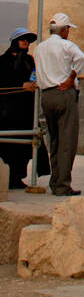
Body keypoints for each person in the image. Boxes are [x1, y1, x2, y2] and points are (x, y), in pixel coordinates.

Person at [33, 12, 84, 196]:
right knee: (67, 141)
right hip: (63, 93)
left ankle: (55, 180)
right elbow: (82, 58)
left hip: (46, 95)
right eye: (68, 29)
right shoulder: (66, 45)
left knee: (54, 140)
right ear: (64, 30)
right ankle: (62, 184)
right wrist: (71, 77)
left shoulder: (40, 47)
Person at [0, 28, 47, 188]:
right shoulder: (3, 61)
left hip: (27, 109)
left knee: (26, 145)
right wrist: (20, 85)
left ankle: (18, 177)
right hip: (8, 110)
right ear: (15, 42)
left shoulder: (29, 60)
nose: (25, 42)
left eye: (27, 40)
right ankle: (8, 177)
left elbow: (34, 76)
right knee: (9, 145)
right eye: (22, 39)